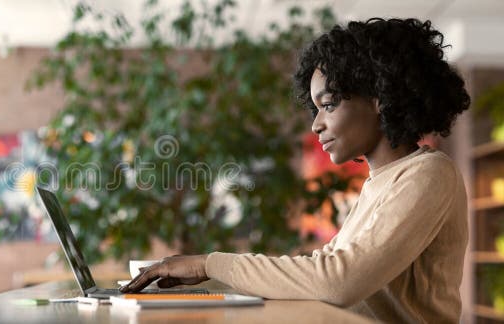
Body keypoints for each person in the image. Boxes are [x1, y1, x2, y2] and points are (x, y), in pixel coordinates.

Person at [119, 17, 471, 323]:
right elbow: (326, 266)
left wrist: (208, 265)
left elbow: (339, 280)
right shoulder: (378, 183)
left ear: (380, 97)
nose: (316, 124)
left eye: (328, 105)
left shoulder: (429, 174)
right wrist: (211, 279)